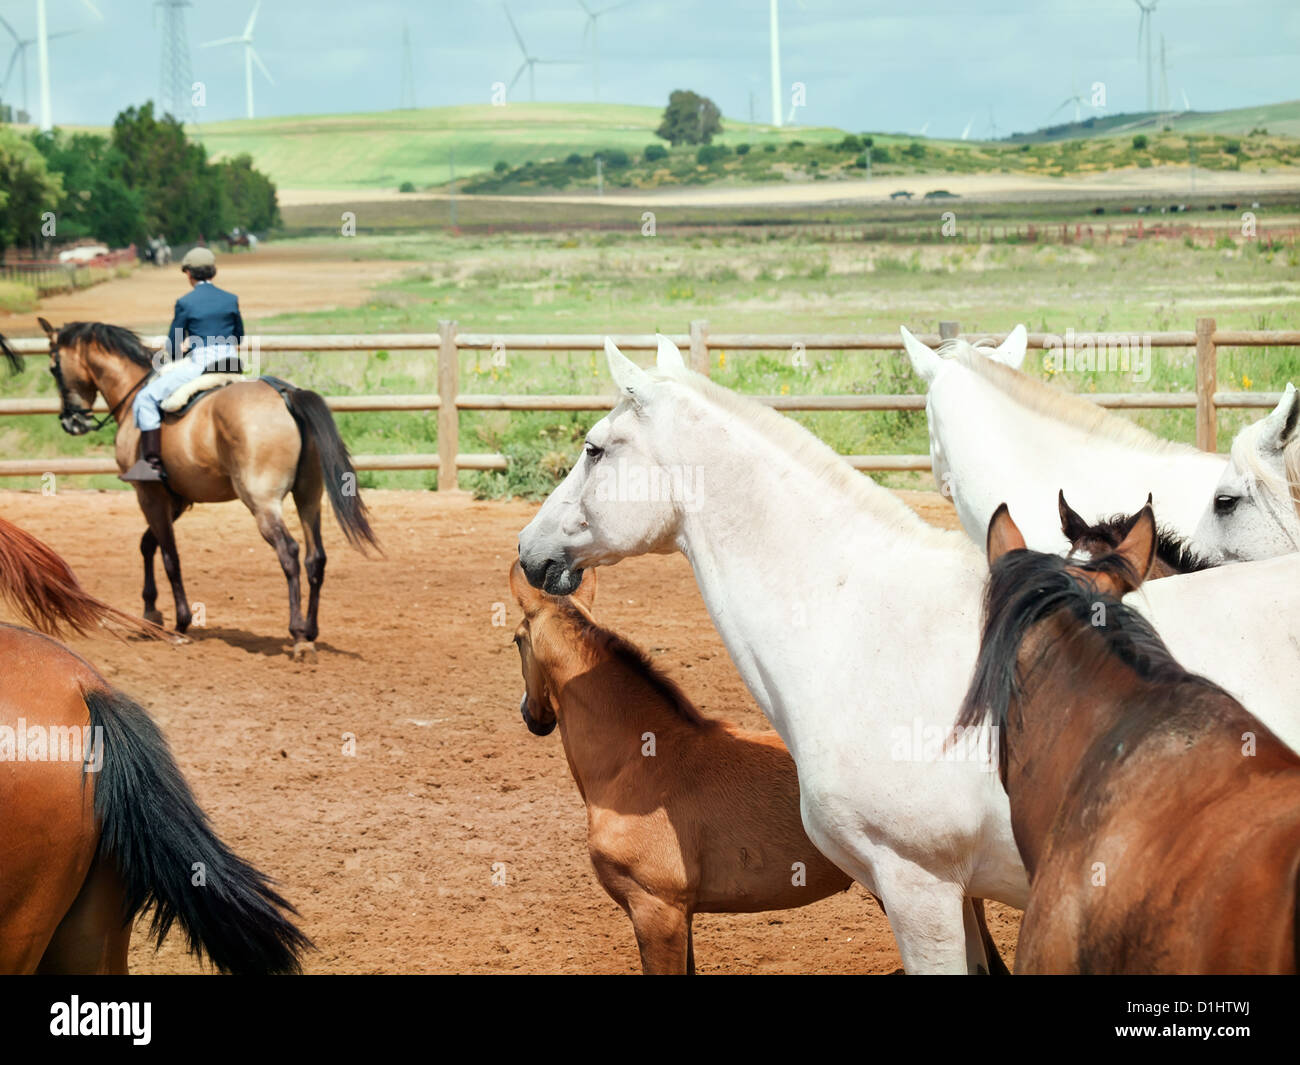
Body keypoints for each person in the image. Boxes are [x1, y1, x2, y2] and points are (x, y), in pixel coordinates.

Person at [121, 247, 246, 483]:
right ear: (213, 272)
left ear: (189, 274)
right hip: (231, 363)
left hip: (202, 364)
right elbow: (238, 336)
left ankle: (152, 465)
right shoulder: (230, 299)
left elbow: (174, 343)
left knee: (146, 398)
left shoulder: (185, 302)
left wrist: (184, 351)